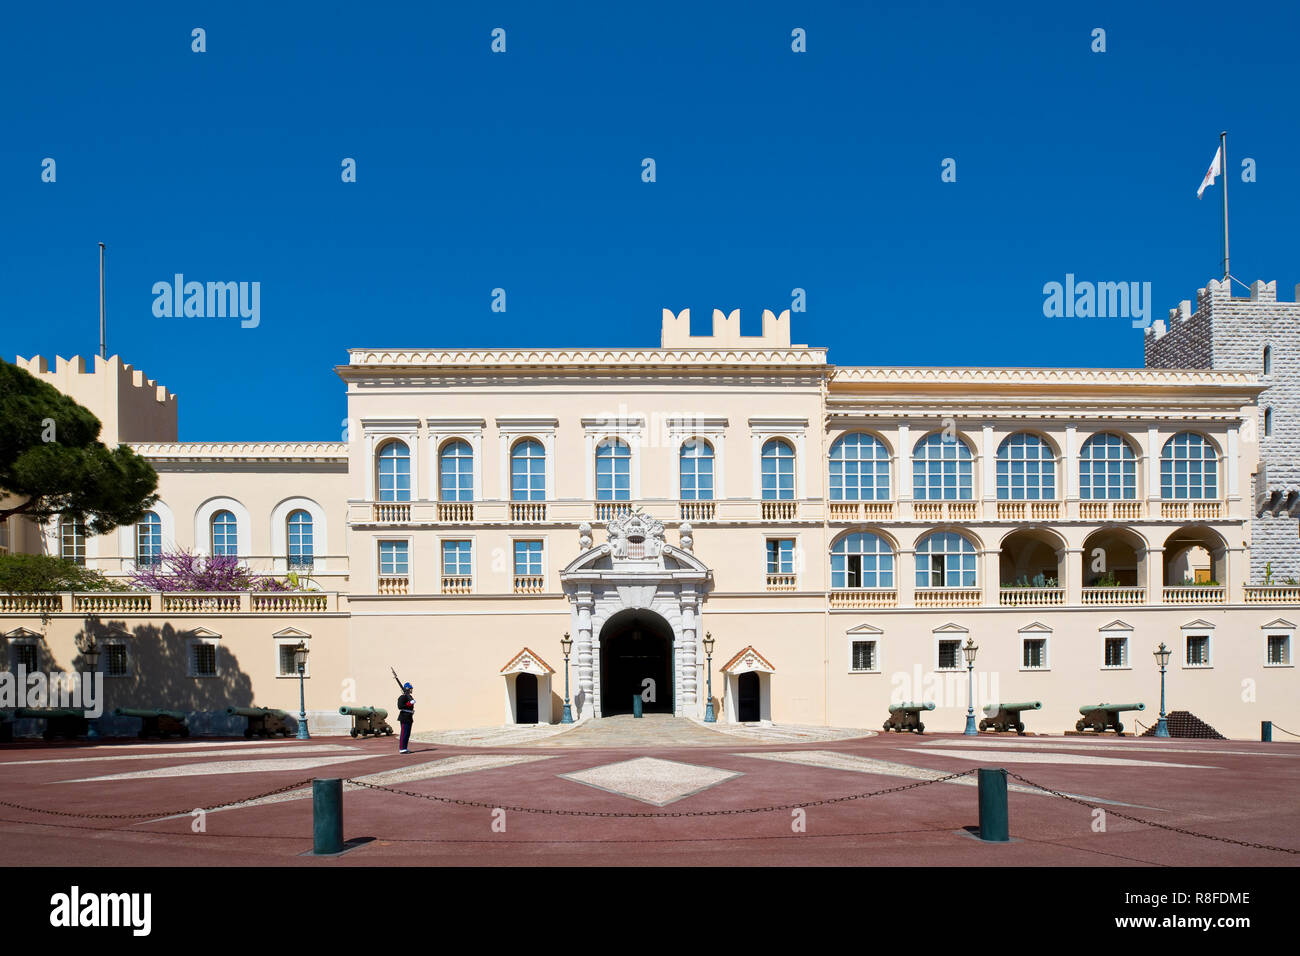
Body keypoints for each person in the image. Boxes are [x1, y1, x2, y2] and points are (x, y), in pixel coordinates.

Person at [397, 682, 415, 753]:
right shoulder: (402, 697)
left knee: (407, 733)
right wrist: (409, 703)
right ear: (407, 689)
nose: (411, 690)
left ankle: (405, 748)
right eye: (410, 689)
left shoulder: (409, 696)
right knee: (404, 733)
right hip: (404, 716)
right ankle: (402, 749)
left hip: (409, 717)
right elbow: (400, 706)